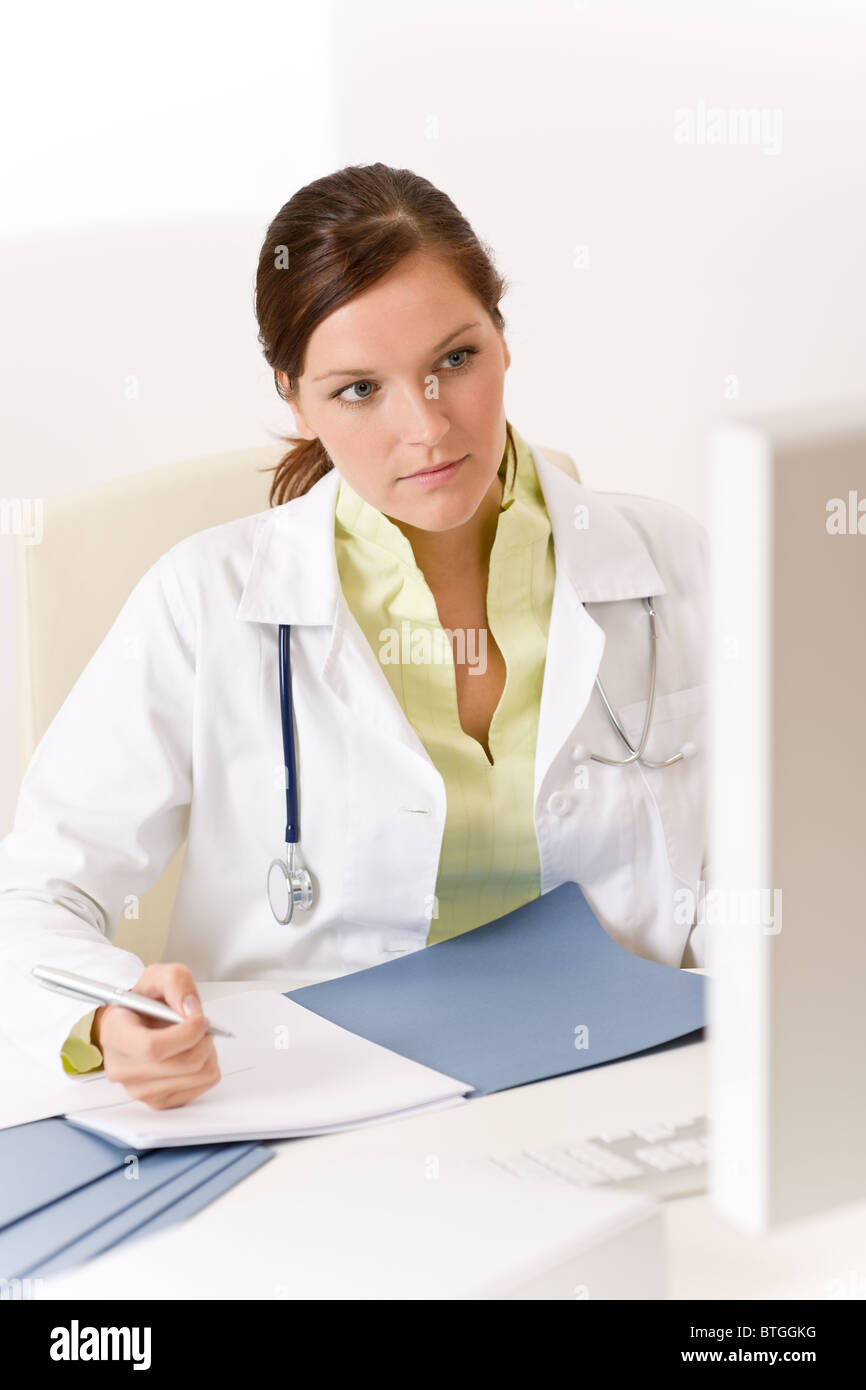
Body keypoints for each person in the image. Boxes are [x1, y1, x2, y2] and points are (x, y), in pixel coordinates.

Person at [0, 162, 709, 1109]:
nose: (426, 427)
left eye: (455, 358)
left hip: (625, 1082)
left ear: (502, 337)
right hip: (315, 1112)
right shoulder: (204, 602)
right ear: (295, 399)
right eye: (360, 390)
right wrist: (101, 1020)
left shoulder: (673, 566)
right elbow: (37, 900)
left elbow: (789, 859)